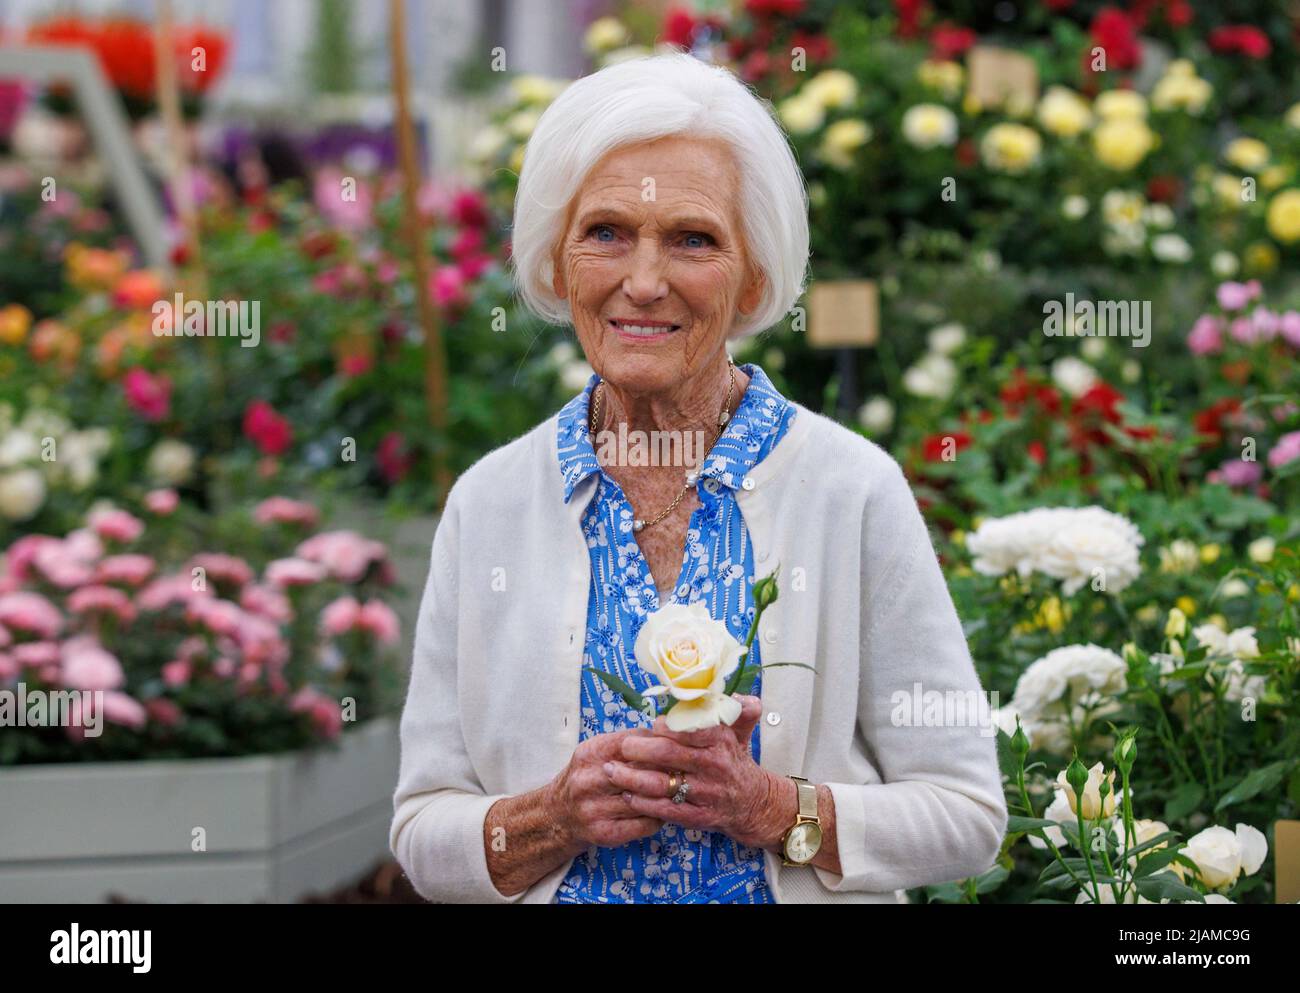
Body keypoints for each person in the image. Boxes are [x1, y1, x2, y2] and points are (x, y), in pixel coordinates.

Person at [390, 51, 1006, 904]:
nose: (643, 282)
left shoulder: (850, 488)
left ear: (753, 274)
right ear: (557, 261)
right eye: (605, 232)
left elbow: (967, 813)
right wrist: (556, 815)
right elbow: (424, 830)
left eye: (692, 238)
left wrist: (771, 807)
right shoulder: (490, 502)